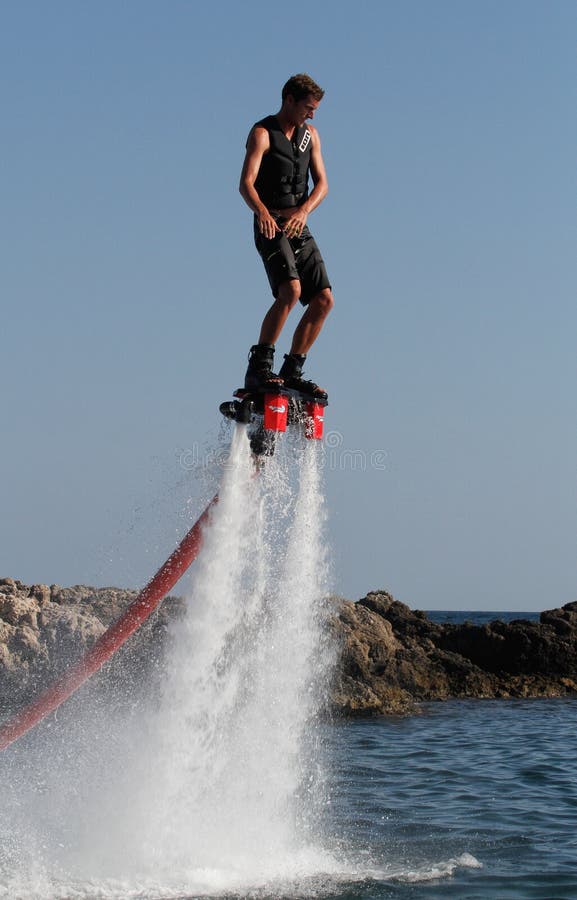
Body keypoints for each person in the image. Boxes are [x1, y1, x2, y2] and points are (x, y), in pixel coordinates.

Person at [239, 73, 333, 399]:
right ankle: (260, 367)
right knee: (290, 291)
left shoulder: (312, 137)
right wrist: (262, 212)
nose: (312, 114)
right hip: (271, 224)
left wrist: (305, 211)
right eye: (308, 107)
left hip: (298, 225)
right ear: (289, 99)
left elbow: (322, 185)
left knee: (323, 299)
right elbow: (245, 183)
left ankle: (292, 371)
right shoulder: (262, 133)